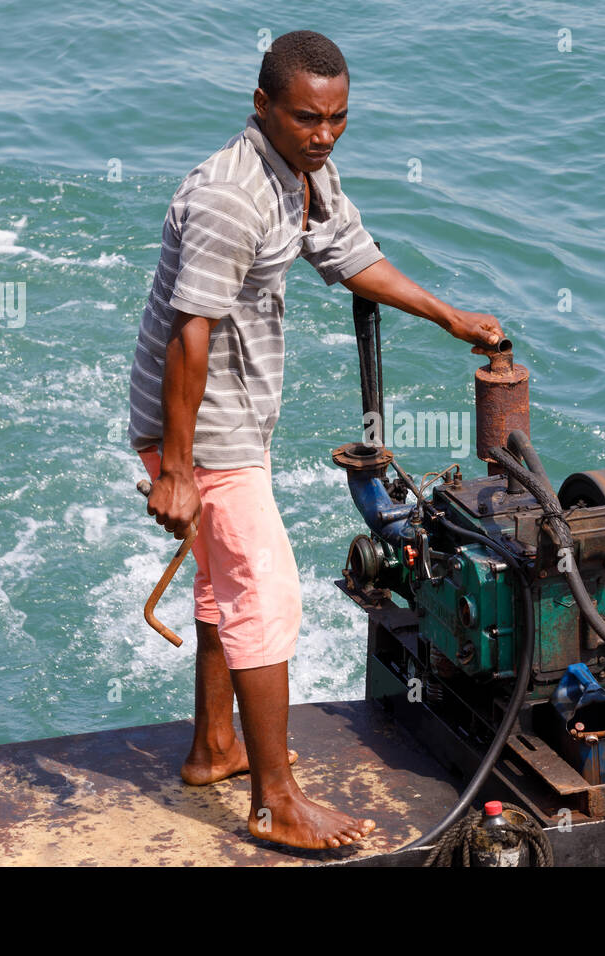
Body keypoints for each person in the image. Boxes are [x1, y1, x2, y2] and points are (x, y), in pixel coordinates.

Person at [128, 30, 503, 851]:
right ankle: (275, 802)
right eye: (306, 118)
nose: (324, 134)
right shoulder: (232, 197)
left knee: (223, 588)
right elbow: (190, 333)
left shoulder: (304, 173)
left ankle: (214, 748)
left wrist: (448, 317)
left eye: (337, 118)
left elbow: (351, 254)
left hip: (231, 419)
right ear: (262, 106)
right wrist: (178, 470)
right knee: (266, 594)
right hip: (205, 427)